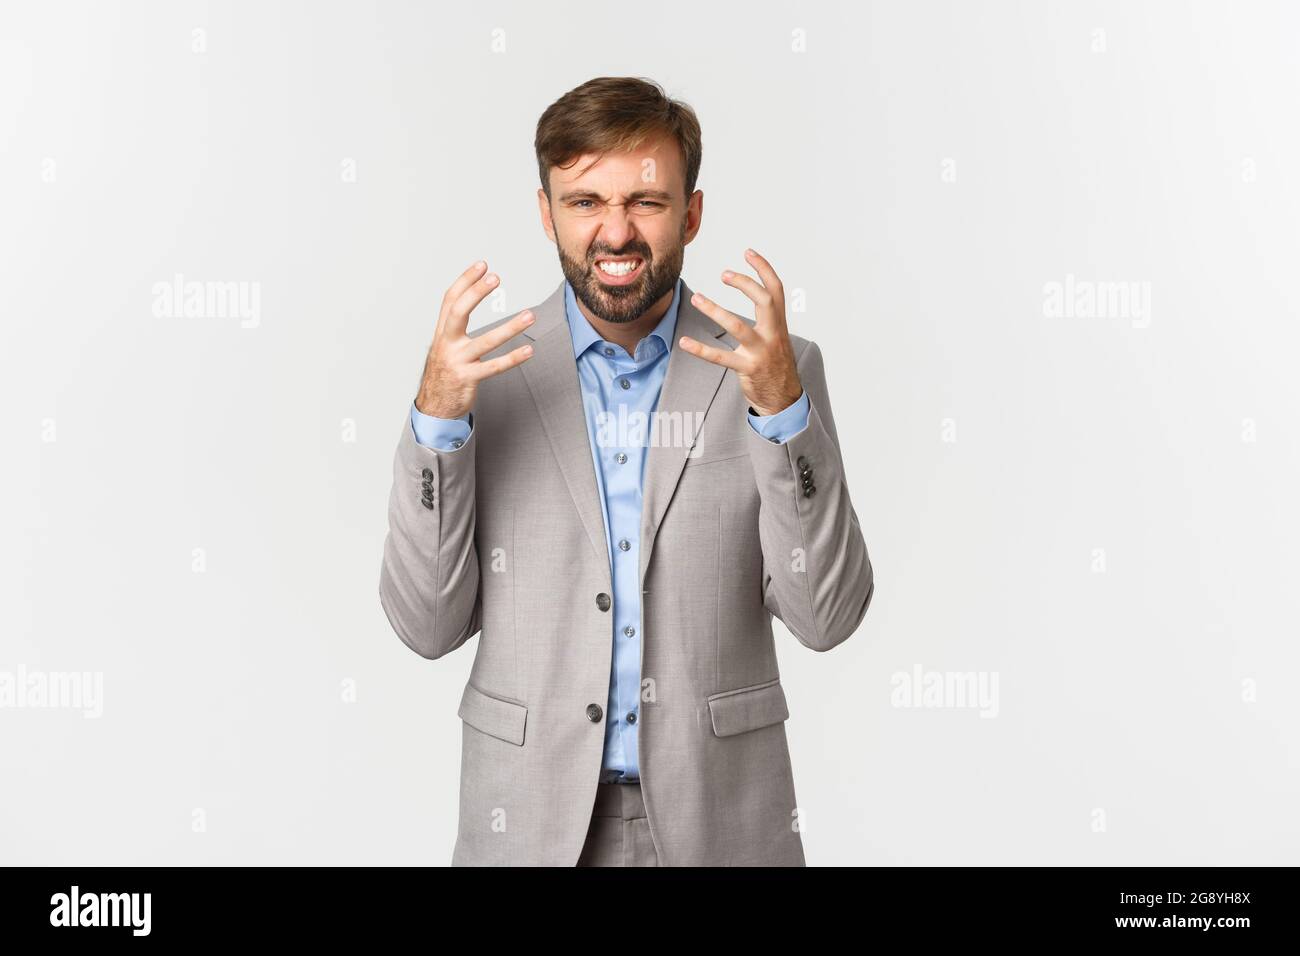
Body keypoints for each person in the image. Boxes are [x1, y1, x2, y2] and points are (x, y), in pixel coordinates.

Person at [378, 76, 875, 866]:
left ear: (691, 214)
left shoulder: (774, 370)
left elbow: (828, 616)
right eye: (585, 202)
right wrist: (437, 419)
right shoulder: (481, 379)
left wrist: (783, 412)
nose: (616, 233)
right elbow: (426, 626)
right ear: (547, 215)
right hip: (527, 826)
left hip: (723, 825)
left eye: (645, 201)